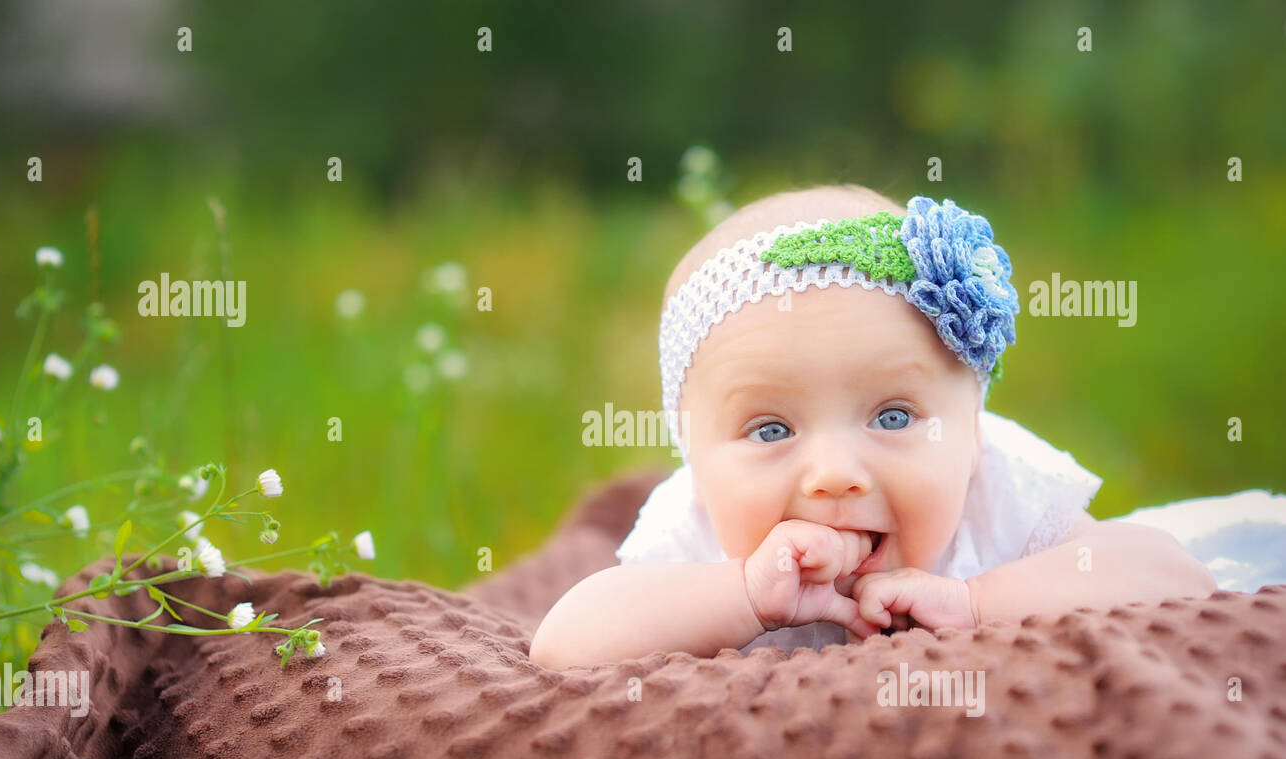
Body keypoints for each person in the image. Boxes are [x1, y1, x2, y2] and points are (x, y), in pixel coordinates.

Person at [530, 184, 1284, 669]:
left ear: (972, 434)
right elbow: (565, 643)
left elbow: (1167, 573)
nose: (834, 472)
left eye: (893, 416)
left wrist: (980, 601)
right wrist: (743, 594)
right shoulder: (700, 535)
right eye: (769, 429)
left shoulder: (991, 496)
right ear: (692, 458)